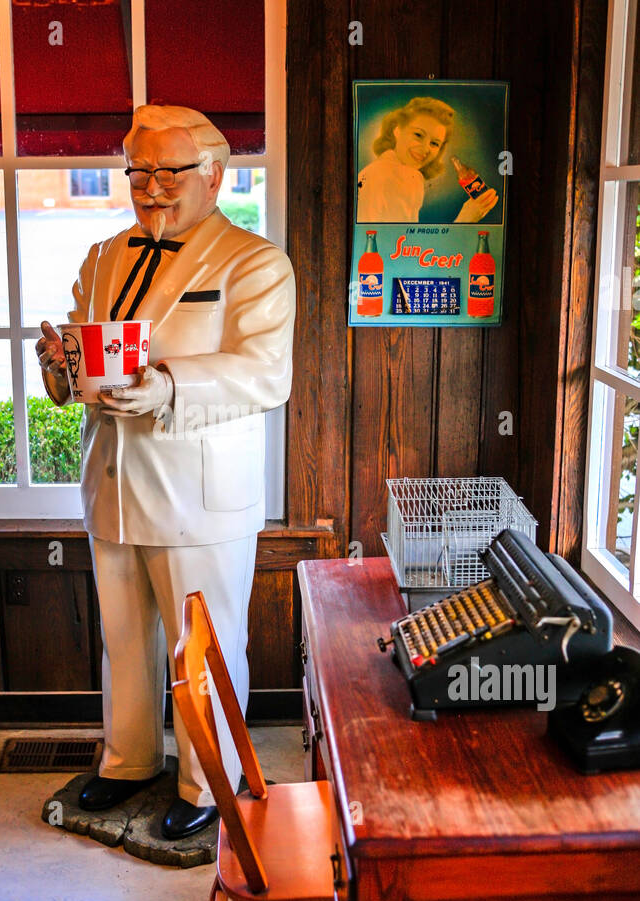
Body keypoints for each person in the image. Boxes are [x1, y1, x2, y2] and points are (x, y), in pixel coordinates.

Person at [35, 104, 296, 840]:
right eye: (137, 171)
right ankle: (127, 761)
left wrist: (170, 385)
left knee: (202, 649)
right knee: (124, 638)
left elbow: (265, 373)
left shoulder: (256, 262)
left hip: (199, 494)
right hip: (111, 480)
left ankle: (211, 780)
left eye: (167, 172)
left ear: (215, 176)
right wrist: (61, 370)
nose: (149, 187)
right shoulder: (102, 254)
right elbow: (86, 362)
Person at [356, 95, 498, 224]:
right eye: (418, 135)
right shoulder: (384, 175)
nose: (425, 149)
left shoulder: (409, 176)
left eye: (434, 143)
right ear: (397, 131)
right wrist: (466, 219)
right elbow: (397, 247)